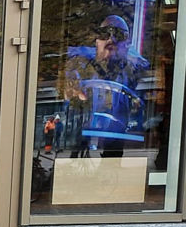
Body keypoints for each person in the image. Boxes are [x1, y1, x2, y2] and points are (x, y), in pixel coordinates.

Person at [61, 14, 147, 157]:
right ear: (96, 41)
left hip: (115, 138)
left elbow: (142, 64)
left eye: (119, 35)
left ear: (127, 43)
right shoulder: (80, 66)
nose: (110, 39)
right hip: (83, 133)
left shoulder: (132, 69)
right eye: (104, 34)